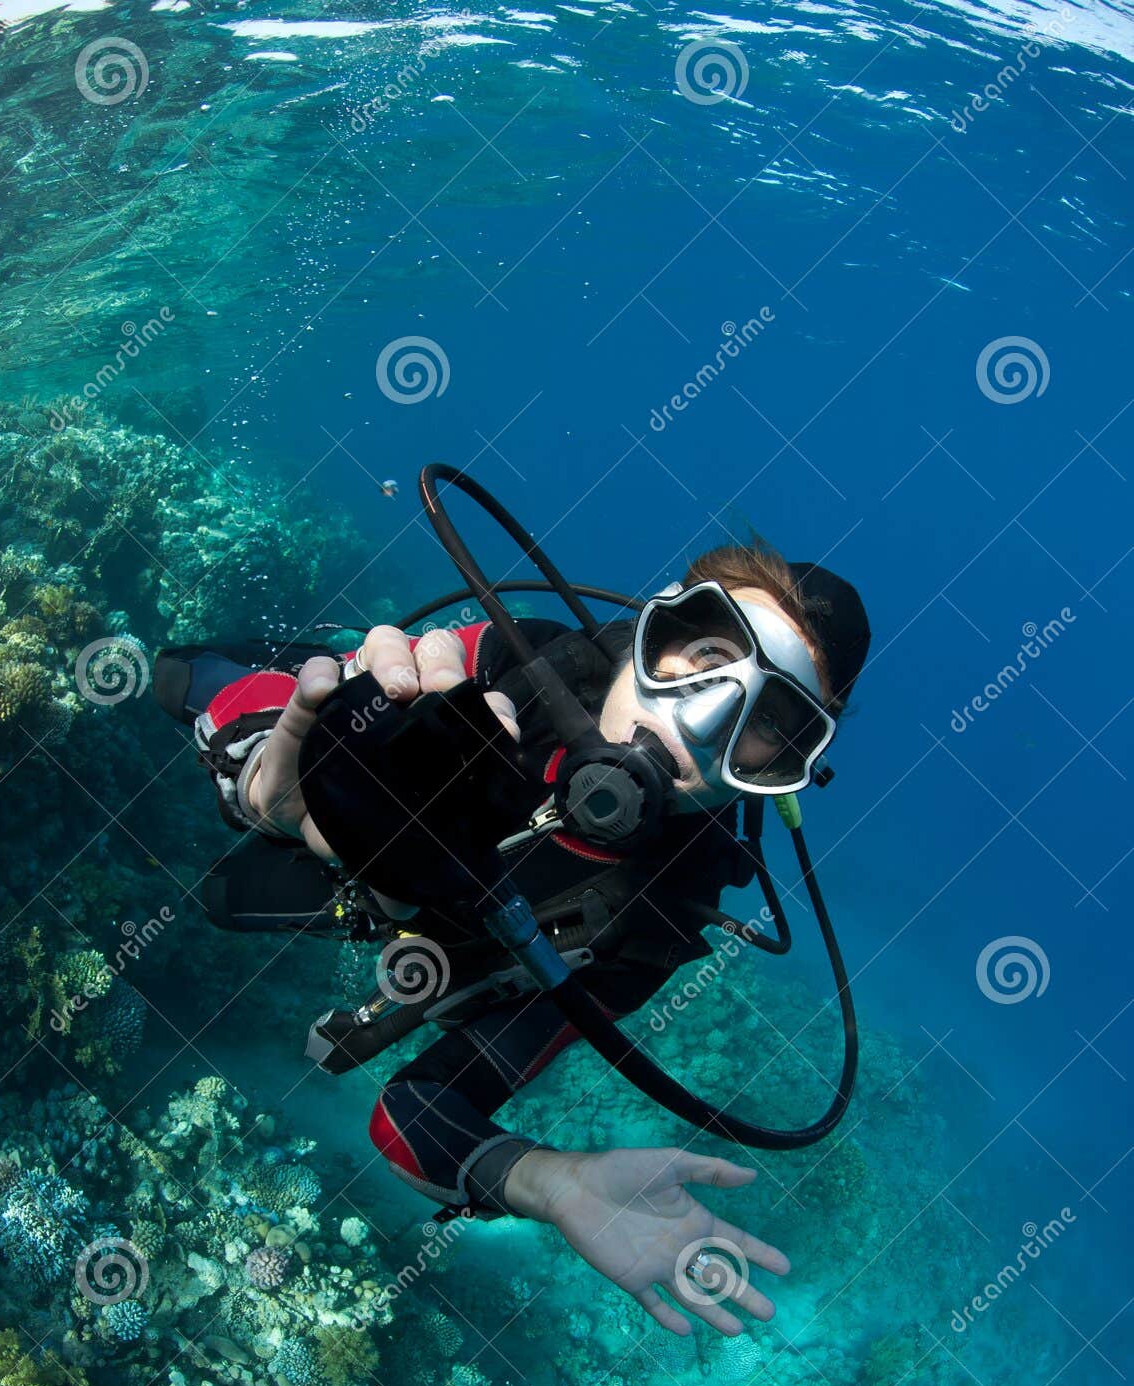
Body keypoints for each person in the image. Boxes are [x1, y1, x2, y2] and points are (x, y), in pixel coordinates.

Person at [156, 534, 869, 1338]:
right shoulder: (520, 663)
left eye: (767, 719)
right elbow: (293, 726)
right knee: (179, 677)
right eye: (707, 656)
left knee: (223, 899)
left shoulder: (657, 921)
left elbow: (422, 1109)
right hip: (352, 853)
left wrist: (548, 1182)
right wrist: (265, 771)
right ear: (655, 628)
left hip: (408, 920)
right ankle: (309, 680)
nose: (700, 720)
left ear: (780, 769)